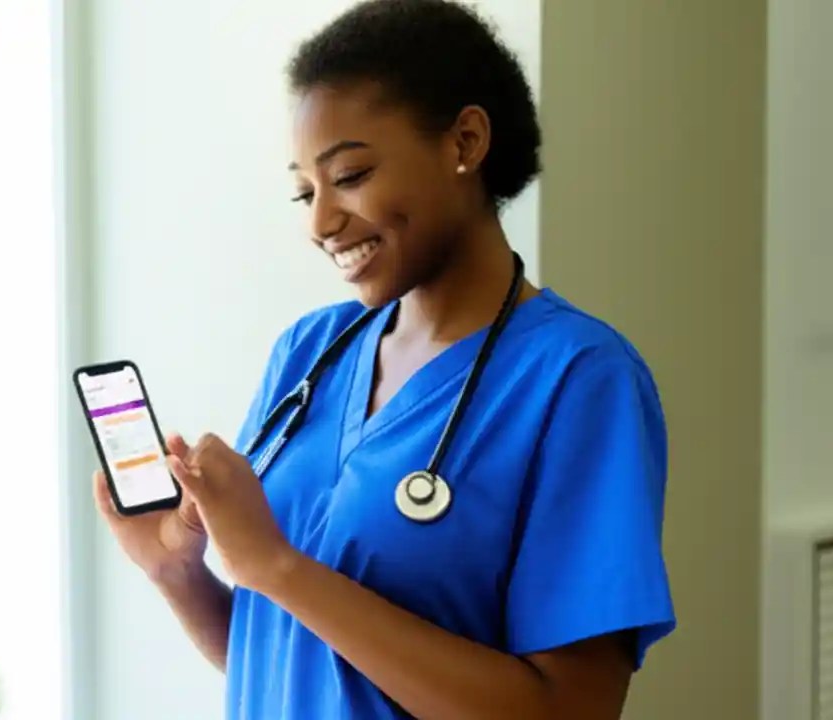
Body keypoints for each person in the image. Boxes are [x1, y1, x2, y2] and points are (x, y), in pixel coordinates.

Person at [93, 1, 676, 717]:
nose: (320, 222)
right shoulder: (310, 353)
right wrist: (176, 572)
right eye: (305, 191)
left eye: (351, 175)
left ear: (465, 140)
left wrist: (277, 567)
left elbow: (572, 708)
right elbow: (292, 656)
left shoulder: (577, 379)